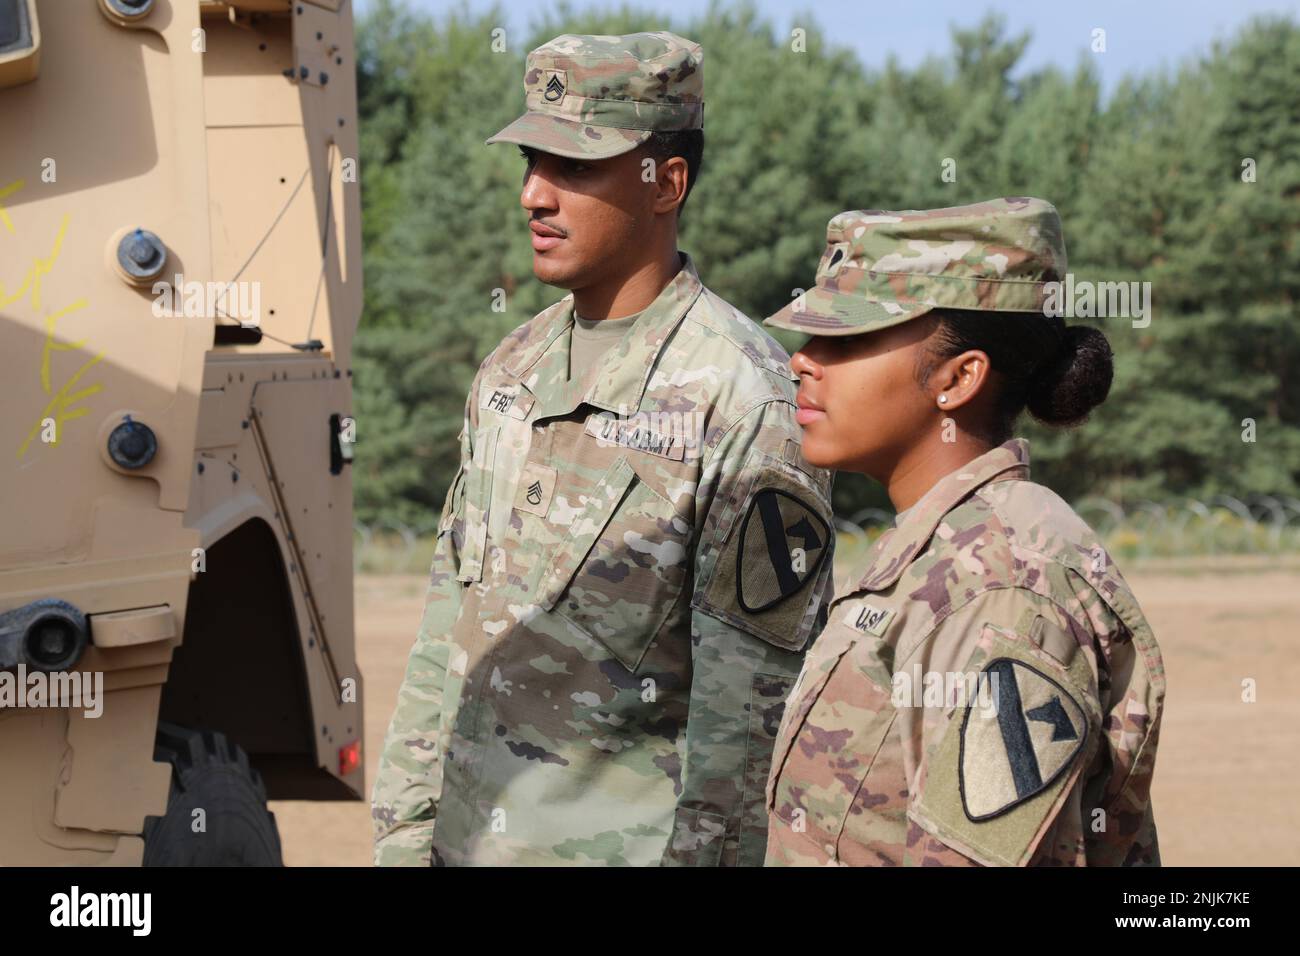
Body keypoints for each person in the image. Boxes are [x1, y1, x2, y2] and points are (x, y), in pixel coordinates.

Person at [371, 31, 836, 866]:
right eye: (529, 165)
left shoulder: (741, 397)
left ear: (669, 183)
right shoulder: (510, 371)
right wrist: (405, 839)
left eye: (574, 168)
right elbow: (450, 628)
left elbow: (744, 730)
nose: (533, 196)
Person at [761, 198, 1165, 866]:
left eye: (847, 339)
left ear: (958, 378)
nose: (804, 360)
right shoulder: (941, 551)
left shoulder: (1003, 589)